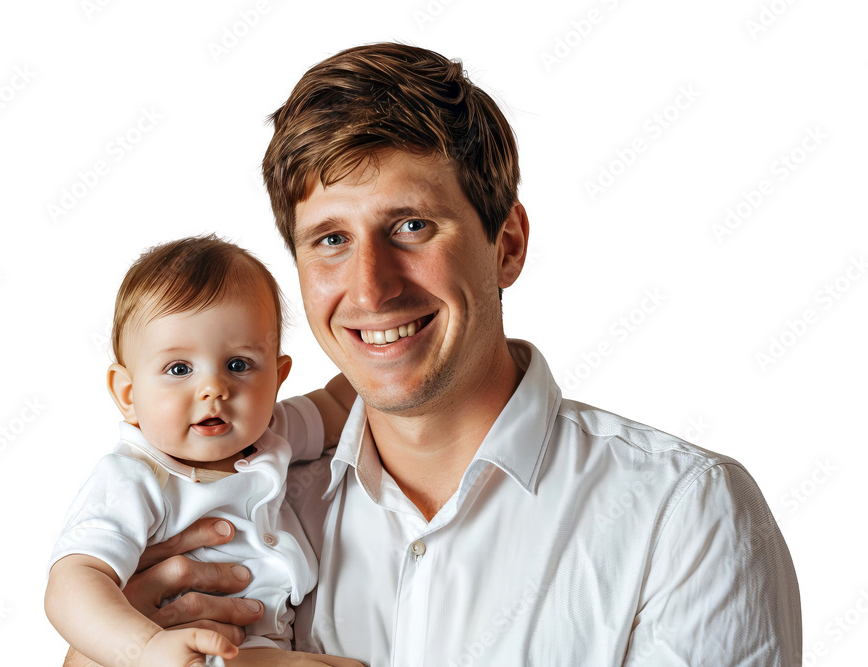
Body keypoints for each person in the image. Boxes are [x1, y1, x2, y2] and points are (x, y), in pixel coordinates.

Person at [69, 43, 802, 666]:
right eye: (331, 239)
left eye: (412, 226)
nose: (371, 288)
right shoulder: (242, 500)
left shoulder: (682, 514)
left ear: (506, 244)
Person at [45, 236, 359, 667]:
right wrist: (145, 648)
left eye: (238, 365)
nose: (213, 388)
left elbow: (345, 400)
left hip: (265, 646)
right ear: (128, 394)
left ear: (277, 378)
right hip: (186, 653)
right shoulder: (134, 477)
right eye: (179, 369)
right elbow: (72, 583)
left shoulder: (273, 430)